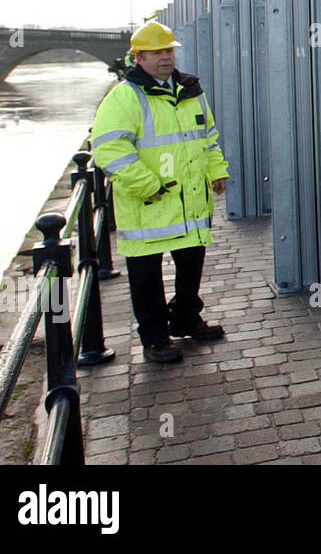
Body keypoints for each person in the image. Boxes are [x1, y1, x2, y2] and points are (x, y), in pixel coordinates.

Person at [91, 20, 229, 363]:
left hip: (190, 201)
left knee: (190, 268)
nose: (165, 57)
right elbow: (108, 149)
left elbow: (207, 138)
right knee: (146, 278)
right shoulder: (124, 97)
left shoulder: (190, 90)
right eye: (156, 52)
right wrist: (148, 185)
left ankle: (185, 319)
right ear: (138, 58)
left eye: (168, 50)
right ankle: (154, 338)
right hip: (148, 205)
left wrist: (217, 171)